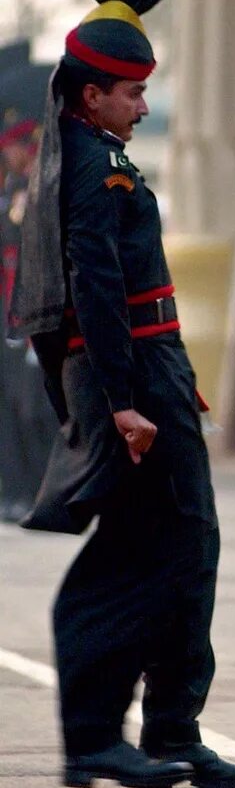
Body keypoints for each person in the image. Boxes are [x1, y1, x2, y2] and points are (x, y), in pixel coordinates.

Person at [9, 0, 235, 788]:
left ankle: (171, 729)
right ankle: (93, 738)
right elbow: (96, 289)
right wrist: (120, 399)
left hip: (154, 373)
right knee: (134, 556)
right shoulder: (87, 167)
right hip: (127, 380)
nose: (144, 106)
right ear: (92, 95)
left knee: (185, 547)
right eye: (133, 92)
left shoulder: (102, 156)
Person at [0, 64, 60, 523]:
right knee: (13, 412)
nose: (16, 157)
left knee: (37, 411)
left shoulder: (47, 184)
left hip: (42, 315)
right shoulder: (17, 187)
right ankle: (17, 492)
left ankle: (47, 495)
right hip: (13, 316)